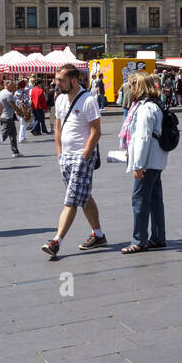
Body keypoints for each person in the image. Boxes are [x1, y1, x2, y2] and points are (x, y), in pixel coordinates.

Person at [41, 65, 105, 259]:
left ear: (74, 81)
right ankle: (99, 235)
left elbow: (96, 131)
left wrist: (85, 156)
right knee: (83, 195)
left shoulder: (88, 100)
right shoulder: (60, 99)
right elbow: (58, 128)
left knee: (71, 200)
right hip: (66, 157)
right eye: (57, 79)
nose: (56, 83)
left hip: (81, 156)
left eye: (60, 80)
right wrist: (60, 153)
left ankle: (56, 241)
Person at [121, 71, 168, 253]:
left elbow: (142, 137)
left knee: (139, 198)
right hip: (155, 160)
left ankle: (138, 240)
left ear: (138, 86)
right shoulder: (153, 104)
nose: (129, 89)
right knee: (155, 199)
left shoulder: (145, 108)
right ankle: (157, 237)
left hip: (148, 162)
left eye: (131, 85)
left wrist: (138, 165)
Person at [0, 77, 23, 157]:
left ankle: (15, 152)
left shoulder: (0, 93)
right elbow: (13, 106)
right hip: (7, 117)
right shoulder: (8, 94)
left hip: (5, 116)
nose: (13, 86)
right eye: (11, 84)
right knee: (3, 136)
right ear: (6, 84)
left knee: (13, 135)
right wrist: (21, 113)